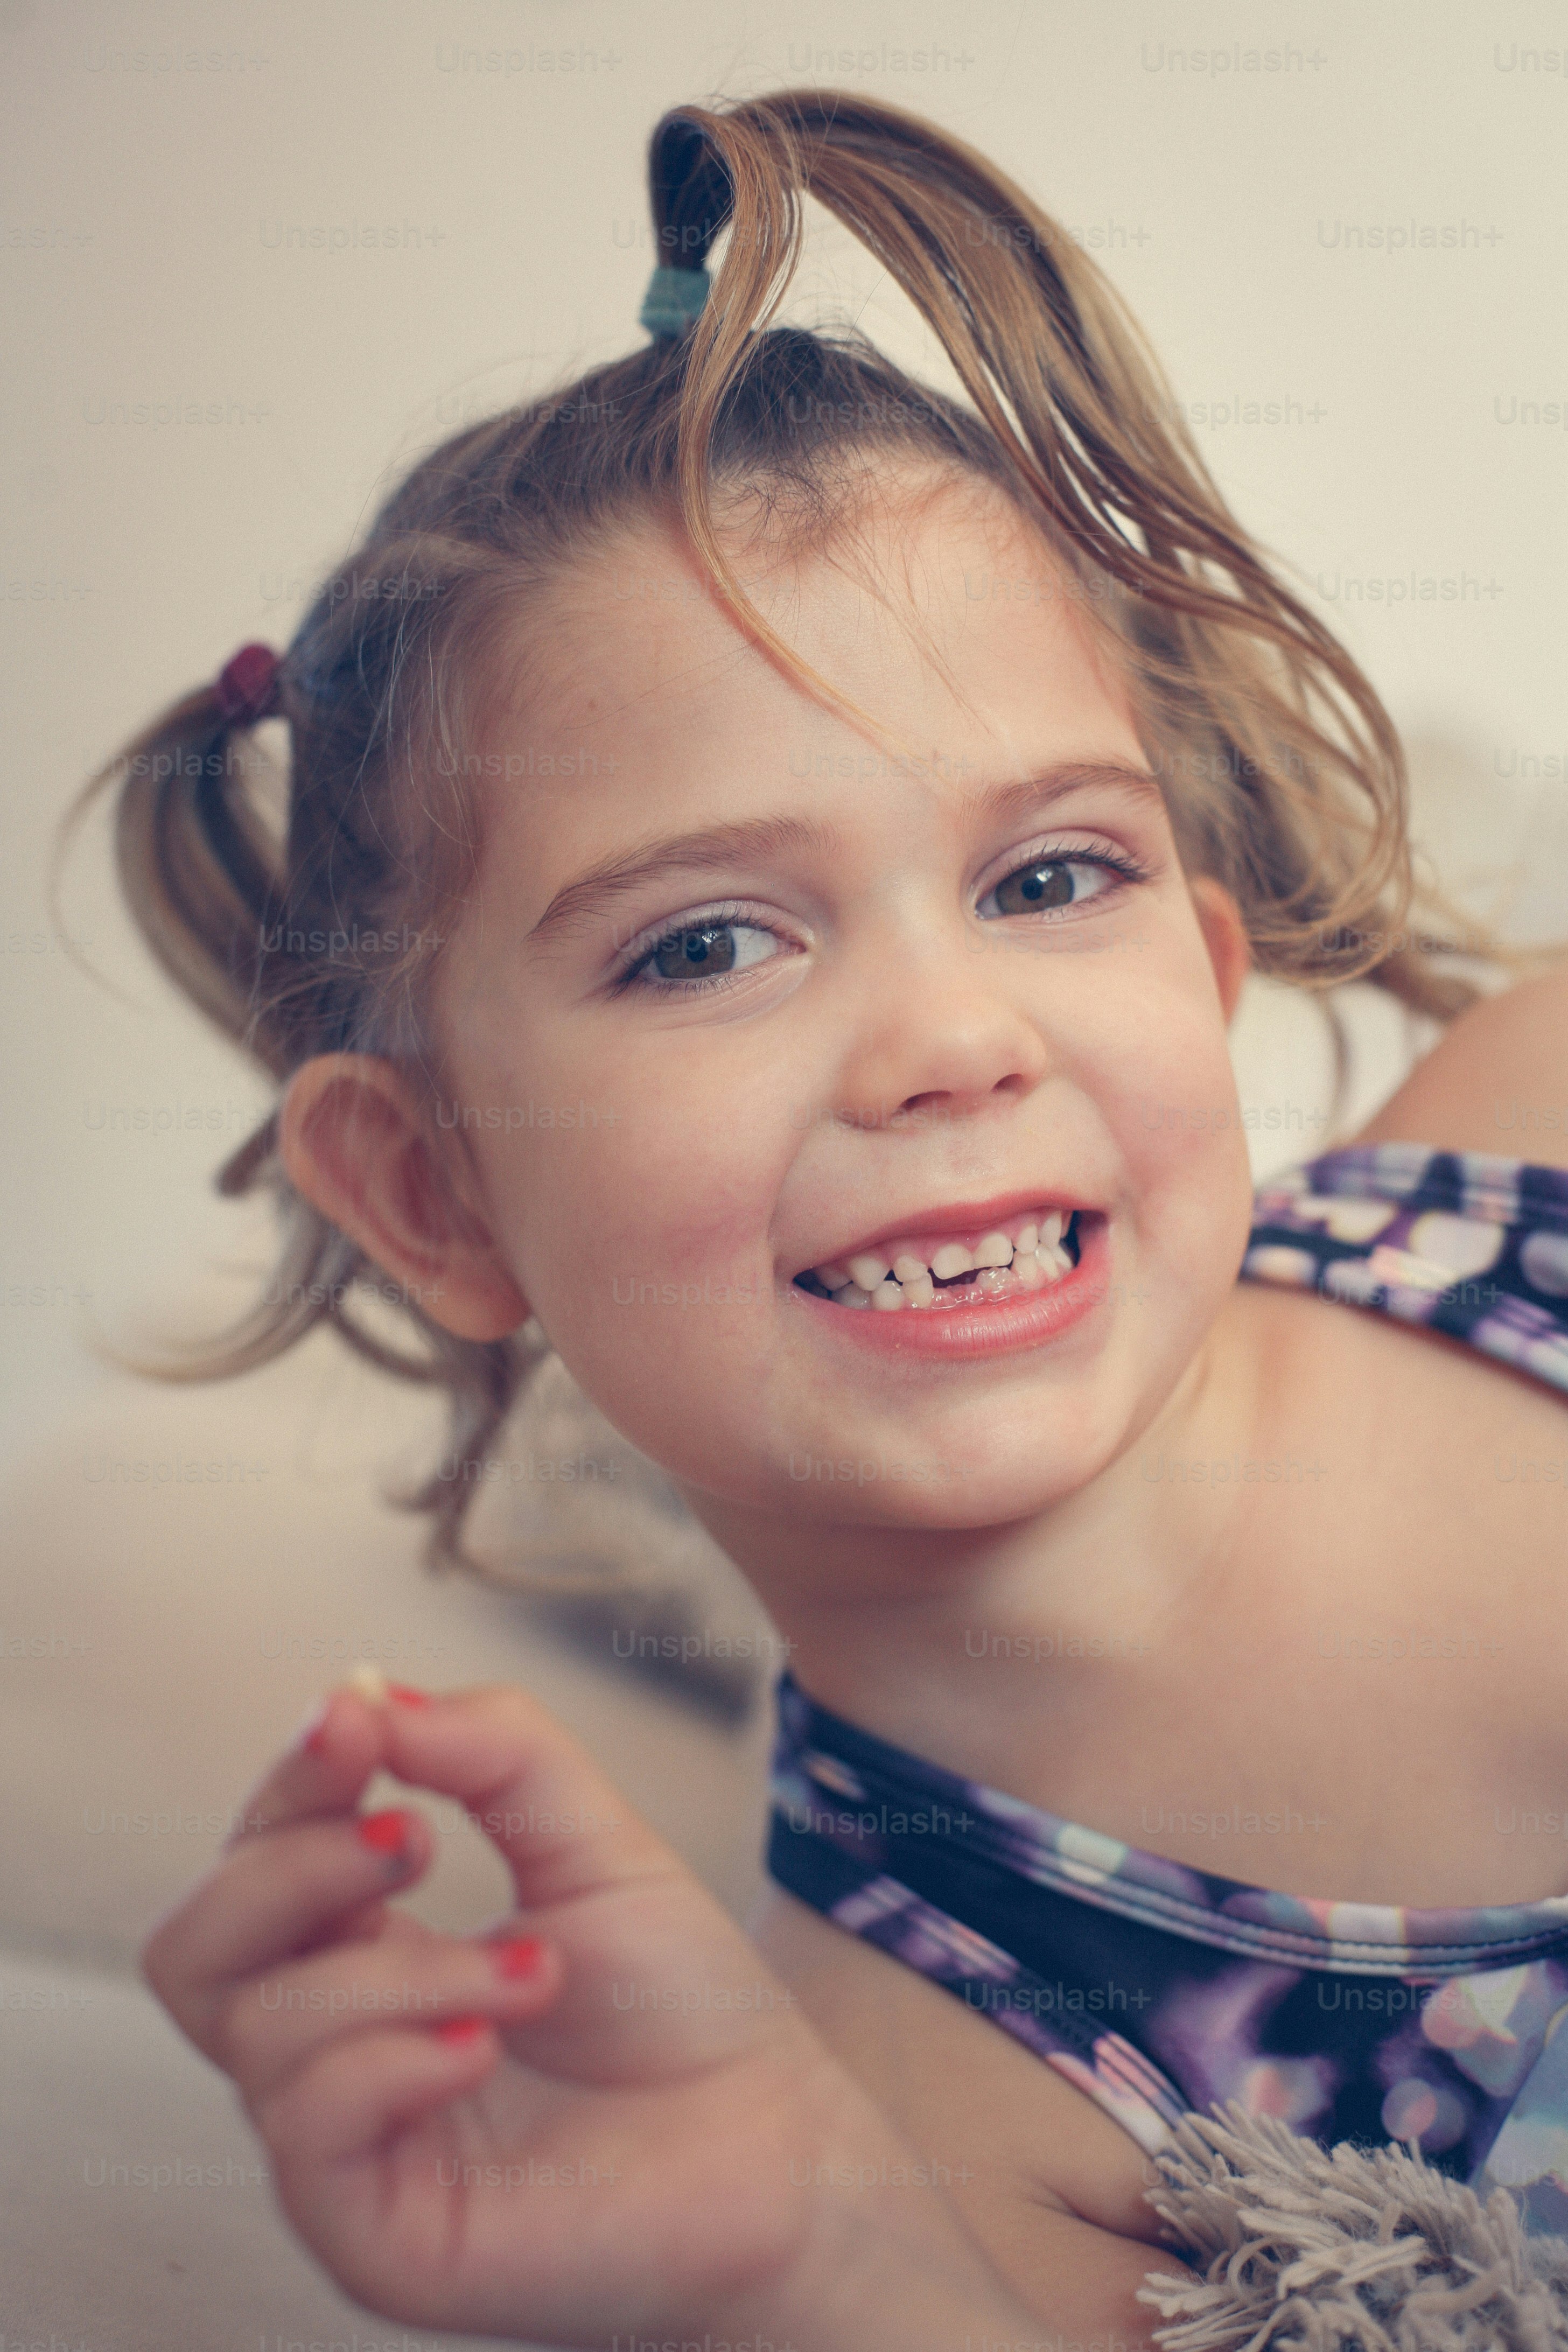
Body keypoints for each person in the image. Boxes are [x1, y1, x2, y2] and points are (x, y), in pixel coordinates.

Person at [100, 87, 1566, 2343]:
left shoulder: (1522, 1175)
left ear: (1197, 974)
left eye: (1043, 876)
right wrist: (809, 2259)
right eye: (703, 946)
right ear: (431, 1189)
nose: (942, 1040)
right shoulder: (911, 2107)